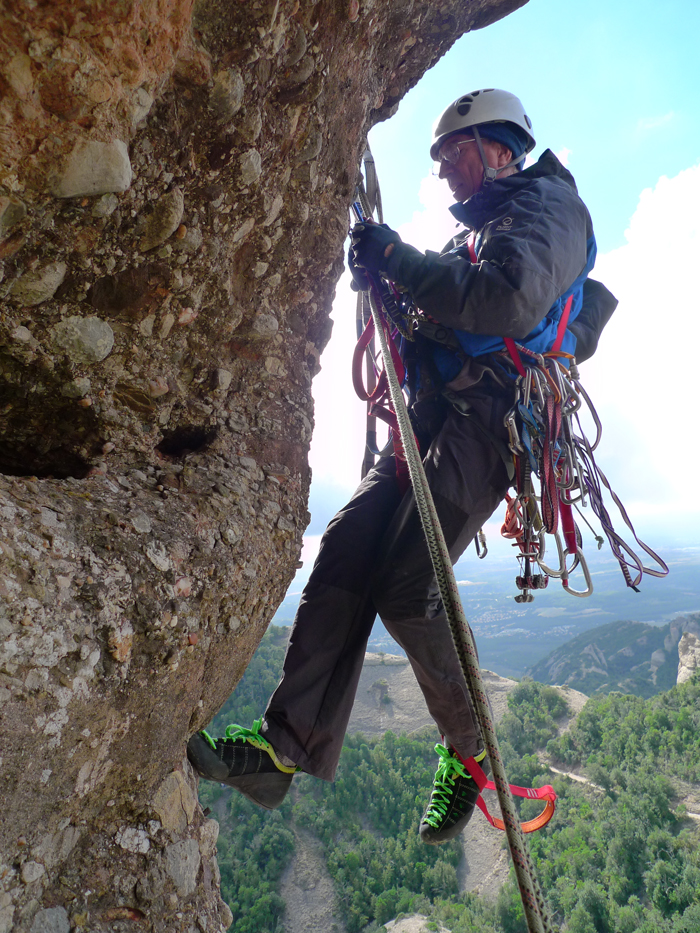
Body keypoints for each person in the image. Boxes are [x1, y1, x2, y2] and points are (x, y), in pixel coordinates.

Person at [187, 89, 611, 845]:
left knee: (412, 584)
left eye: (453, 154)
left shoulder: (549, 210)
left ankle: (470, 755)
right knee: (346, 548)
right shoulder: (479, 235)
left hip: (488, 425)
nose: (445, 172)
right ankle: (281, 749)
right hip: (433, 415)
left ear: (498, 146)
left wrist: (395, 259)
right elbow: (446, 304)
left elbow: (507, 302)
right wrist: (391, 288)